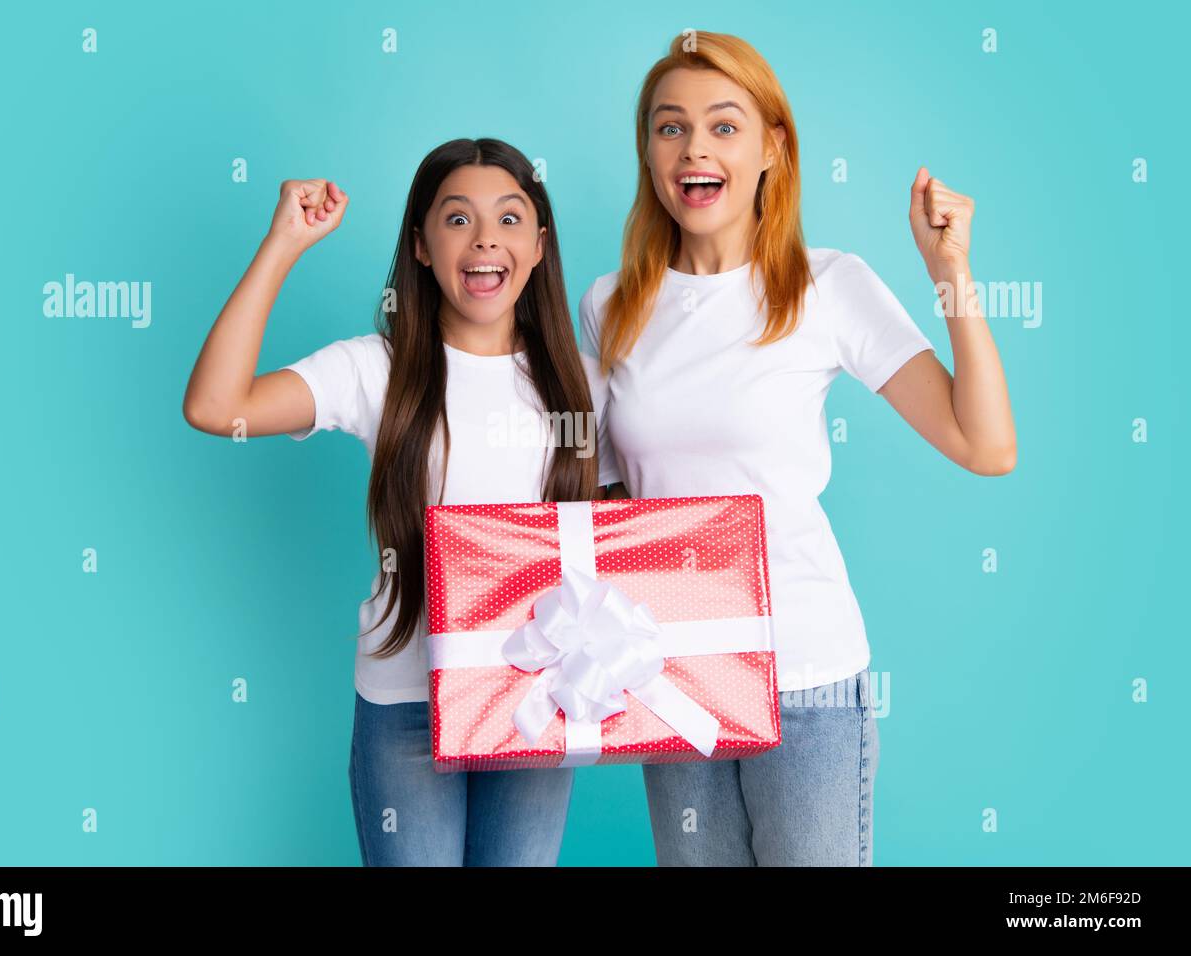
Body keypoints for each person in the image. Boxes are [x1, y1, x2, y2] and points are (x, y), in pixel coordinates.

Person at [580, 31, 1016, 866]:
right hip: (672, 677)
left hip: (804, 677)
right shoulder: (610, 305)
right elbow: (609, 502)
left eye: (724, 125)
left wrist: (951, 273)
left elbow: (986, 444)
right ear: (649, 151)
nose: (694, 147)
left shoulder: (826, 284)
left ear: (773, 147)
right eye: (670, 127)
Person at [183, 137, 620, 866]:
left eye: (510, 219)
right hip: (406, 703)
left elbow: (625, 542)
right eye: (458, 219)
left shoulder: (586, 385)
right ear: (420, 245)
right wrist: (283, 244)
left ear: (540, 246)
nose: (485, 239)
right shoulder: (375, 369)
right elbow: (214, 405)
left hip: (536, 699)